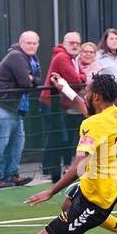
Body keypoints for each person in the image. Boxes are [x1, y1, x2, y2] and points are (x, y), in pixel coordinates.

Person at [24, 74, 117, 234]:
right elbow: (86, 108)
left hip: (96, 199)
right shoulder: (115, 113)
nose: (84, 94)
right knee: (67, 205)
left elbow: (76, 168)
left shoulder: (94, 124)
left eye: (86, 91)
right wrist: (64, 88)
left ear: (96, 96)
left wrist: (50, 192)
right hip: (106, 186)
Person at [0, 30, 40, 188]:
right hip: (0, 104)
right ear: (21, 43)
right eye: (28, 43)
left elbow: (38, 79)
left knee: (17, 143)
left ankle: (11, 175)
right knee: (0, 144)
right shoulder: (15, 55)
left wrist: (31, 79)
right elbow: (25, 82)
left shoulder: (32, 59)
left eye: (34, 43)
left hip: (15, 107)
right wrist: (30, 79)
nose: (31, 46)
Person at [41, 31, 86, 182]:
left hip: (60, 104)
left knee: (58, 134)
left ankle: (50, 168)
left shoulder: (72, 58)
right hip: (52, 102)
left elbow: (77, 79)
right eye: (71, 43)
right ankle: (50, 169)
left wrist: (80, 78)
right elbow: (76, 80)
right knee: (58, 135)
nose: (74, 46)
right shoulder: (62, 57)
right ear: (64, 43)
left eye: (77, 43)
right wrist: (82, 77)